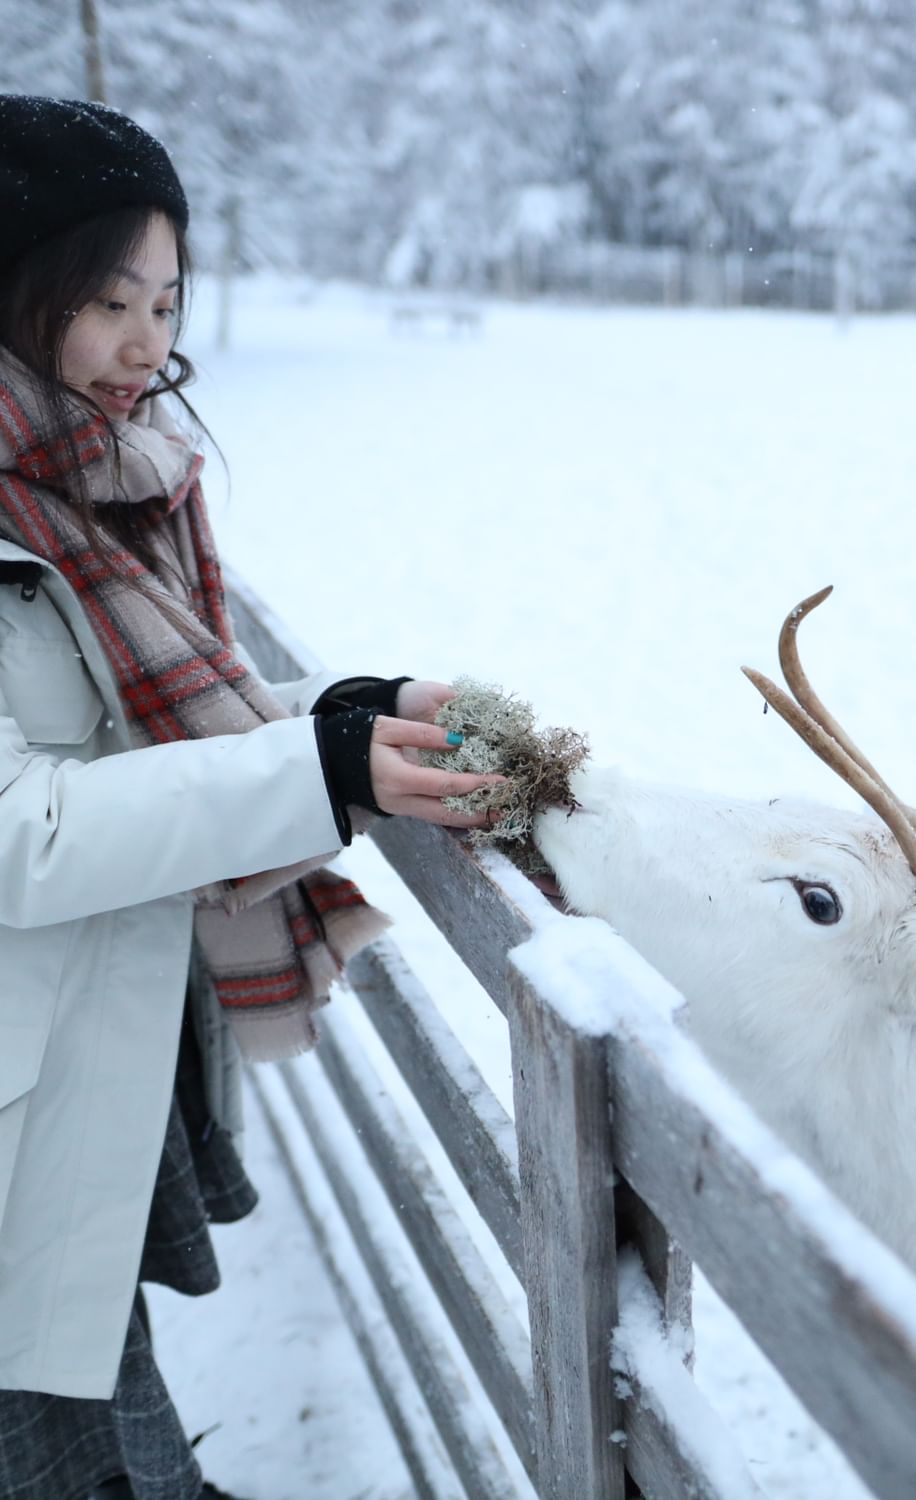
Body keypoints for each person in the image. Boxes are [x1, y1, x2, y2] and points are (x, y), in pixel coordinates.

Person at [0, 96, 503, 1500]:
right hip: (27, 1074)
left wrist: (337, 723)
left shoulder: (98, 488)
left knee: (90, 1393)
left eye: (166, 301)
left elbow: (137, 739)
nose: (149, 347)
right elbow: (26, 834)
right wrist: (316, 772)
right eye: (108, 300)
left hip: (75, 1063)